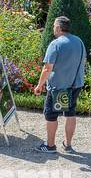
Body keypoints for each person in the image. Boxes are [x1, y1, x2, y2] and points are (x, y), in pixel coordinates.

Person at [33, 15, 87, 154]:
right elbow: (83, 61)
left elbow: (47, 68)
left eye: (53, 26)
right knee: (70, 113)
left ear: (58, 28)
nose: (53, 29)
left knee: (51, 115)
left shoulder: (55, 44)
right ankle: (68, 145)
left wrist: (39, 85)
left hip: (60, 87)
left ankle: (50, 146)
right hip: (76, 84)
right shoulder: (79, 41)